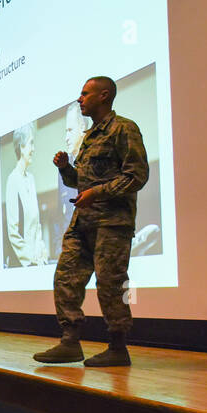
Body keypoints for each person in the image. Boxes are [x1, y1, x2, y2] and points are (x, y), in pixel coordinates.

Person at [34, 76, 149, 367]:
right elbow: (80, 183)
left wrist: (98, 193)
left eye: (85, 94)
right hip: (82, 223)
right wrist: (65, 169)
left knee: (111, 284)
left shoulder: (124, 128)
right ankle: (70, 343)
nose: (79, 98)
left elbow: (137, 175)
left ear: (104, 96)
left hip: (111, 223)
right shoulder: (90, 137)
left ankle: (118, 348)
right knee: (65, 278)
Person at [5, 124, 51, 267]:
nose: (33, 149)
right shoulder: (12, 180)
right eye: (31, 143)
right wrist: (31, 259)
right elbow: (13, 232)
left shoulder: (31, 179)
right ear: (21, 146)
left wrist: (41, 251)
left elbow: (36, 225)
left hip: (36, 261)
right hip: (21, 263)